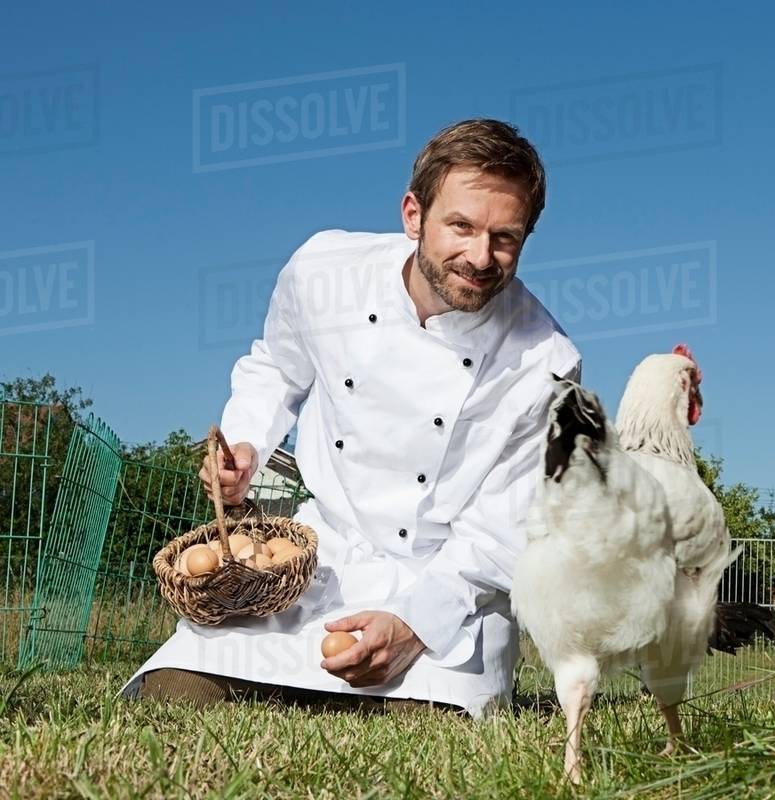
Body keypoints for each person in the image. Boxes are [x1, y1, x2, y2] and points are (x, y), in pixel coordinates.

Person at [121, 119, 580, 717]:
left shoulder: (547, 361)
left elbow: (505, 528)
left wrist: (416, 624)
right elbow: (276, 367)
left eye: (505, 238)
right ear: (414, 215)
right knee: (175, 695)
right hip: (322, 560)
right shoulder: (324, 272)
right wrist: (244, 446)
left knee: (426, 735)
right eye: (460, 226)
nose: (480, 256)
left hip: (448, 584)